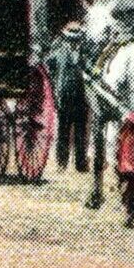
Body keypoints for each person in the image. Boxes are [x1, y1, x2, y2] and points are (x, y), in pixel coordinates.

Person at [46, 15, 90, 174]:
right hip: (63, 96)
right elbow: (48, 67)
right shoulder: (57, 51)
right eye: (71, 38)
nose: (74, 41)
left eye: (76, 39)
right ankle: (61, 162)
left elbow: (89, 69)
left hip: (81, 97)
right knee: (63, 131)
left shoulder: (84, 52)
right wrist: (53, 89)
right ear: (66, 38)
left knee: (80, 132)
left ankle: (80, 163)